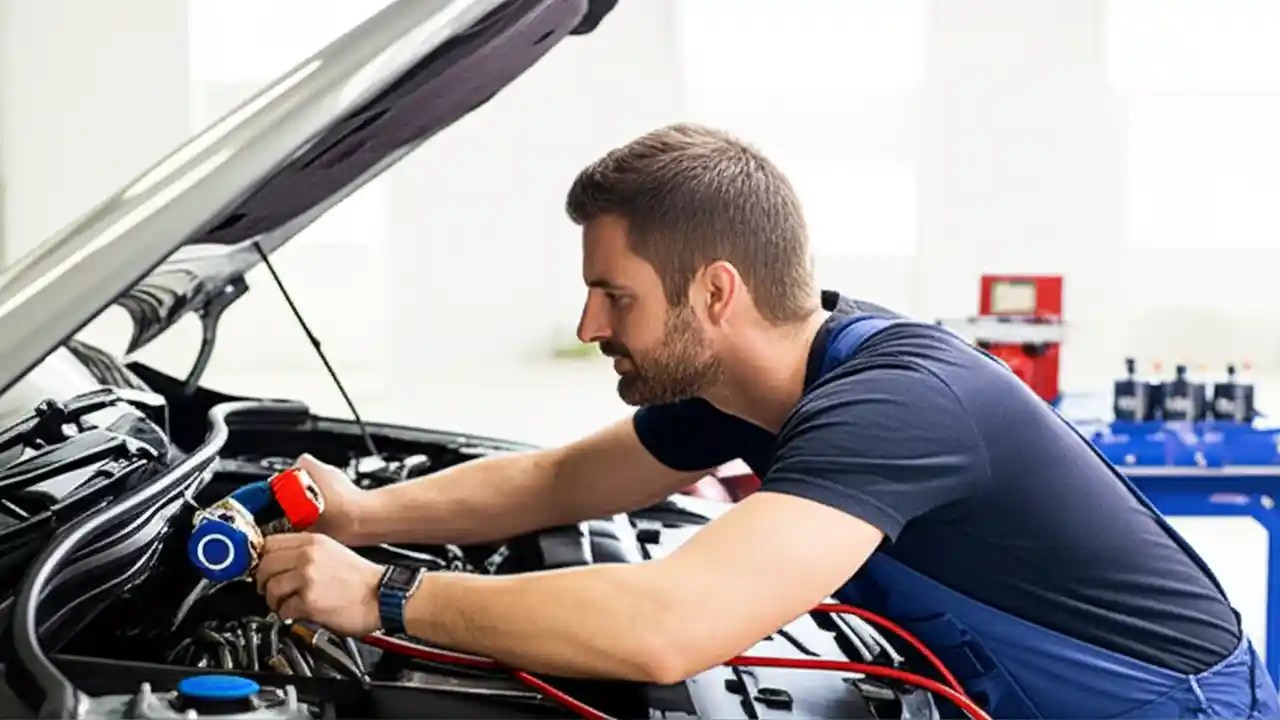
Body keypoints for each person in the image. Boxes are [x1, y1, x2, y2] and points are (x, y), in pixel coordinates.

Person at [253, 123, 1278, 718]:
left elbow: (665, 629)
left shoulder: (896, 403)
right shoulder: (757, 387)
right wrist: (357, 514)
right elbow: (553, 485)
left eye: (614, 296)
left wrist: (383, 599)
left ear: (713, 293)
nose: (586, 323)